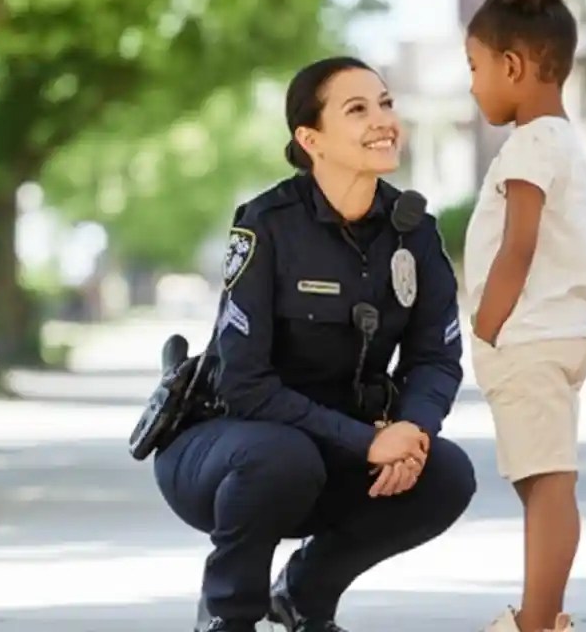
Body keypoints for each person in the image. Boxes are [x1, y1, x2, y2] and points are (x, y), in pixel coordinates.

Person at [151, 55, 477, 632]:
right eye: (357, 109)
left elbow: (436, 356)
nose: (383, 120)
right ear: (311, 138)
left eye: (385, 104)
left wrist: (412, 433)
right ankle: (230, 614)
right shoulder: (266, 224)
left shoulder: (414, 232)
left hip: (334, 450)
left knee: (446, 474)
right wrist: (364, 441)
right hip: (223, 446)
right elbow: (243, 382)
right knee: (281, 457)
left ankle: (303, 596)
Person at [462, 0, 586, 632]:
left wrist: (487, 322)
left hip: (532, 335)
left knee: (547, 485)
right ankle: (542, 616)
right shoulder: (562, 141)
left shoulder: (526, 148)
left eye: (474, 69)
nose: (473, 87)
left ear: (513, 67)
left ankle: (537, 623)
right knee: (544, 481)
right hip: (563, 331)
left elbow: (519, 242)